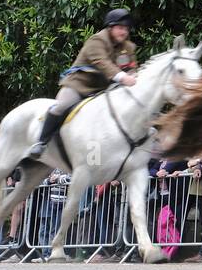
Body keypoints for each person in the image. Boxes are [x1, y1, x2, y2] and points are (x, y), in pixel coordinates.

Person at [27, 9, 138, 158]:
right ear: (110, 27)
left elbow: (131, 68)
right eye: (120, 28)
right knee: (61, 106)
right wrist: (123, 77)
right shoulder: (97, 40)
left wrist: (133, 75)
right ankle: (41, 142)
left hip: (105, 90)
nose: (124, 32)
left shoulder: (128, 47)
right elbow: (103, 63)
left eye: (126, 29)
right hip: (80, 85)